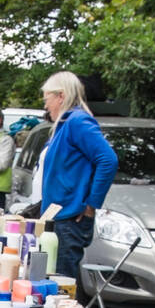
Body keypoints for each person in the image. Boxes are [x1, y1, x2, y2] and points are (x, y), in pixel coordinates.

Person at [39, 71, 117, 284]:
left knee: (62, 288)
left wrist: (92, 204)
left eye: (47, 98)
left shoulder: (77, 121)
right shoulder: (66, 123)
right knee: (54, 285)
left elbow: (108, 160)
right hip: (59, 217)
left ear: (61, 96)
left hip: (69, 220)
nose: (46, 105)